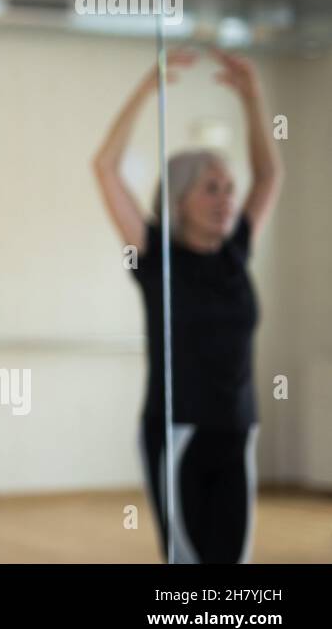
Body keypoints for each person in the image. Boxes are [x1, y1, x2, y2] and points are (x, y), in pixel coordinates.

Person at [92, 47, 282, 563]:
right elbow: (105, 168)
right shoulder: (157, 258)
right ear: (178, 201)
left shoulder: (236, 252)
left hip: (238, 428)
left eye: (228, 189)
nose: (226, 200)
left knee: (232, 566)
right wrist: (144, 92)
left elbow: (269, 176)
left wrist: (253, 97)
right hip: (178, 432)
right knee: (189, 565)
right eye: (211, 189)